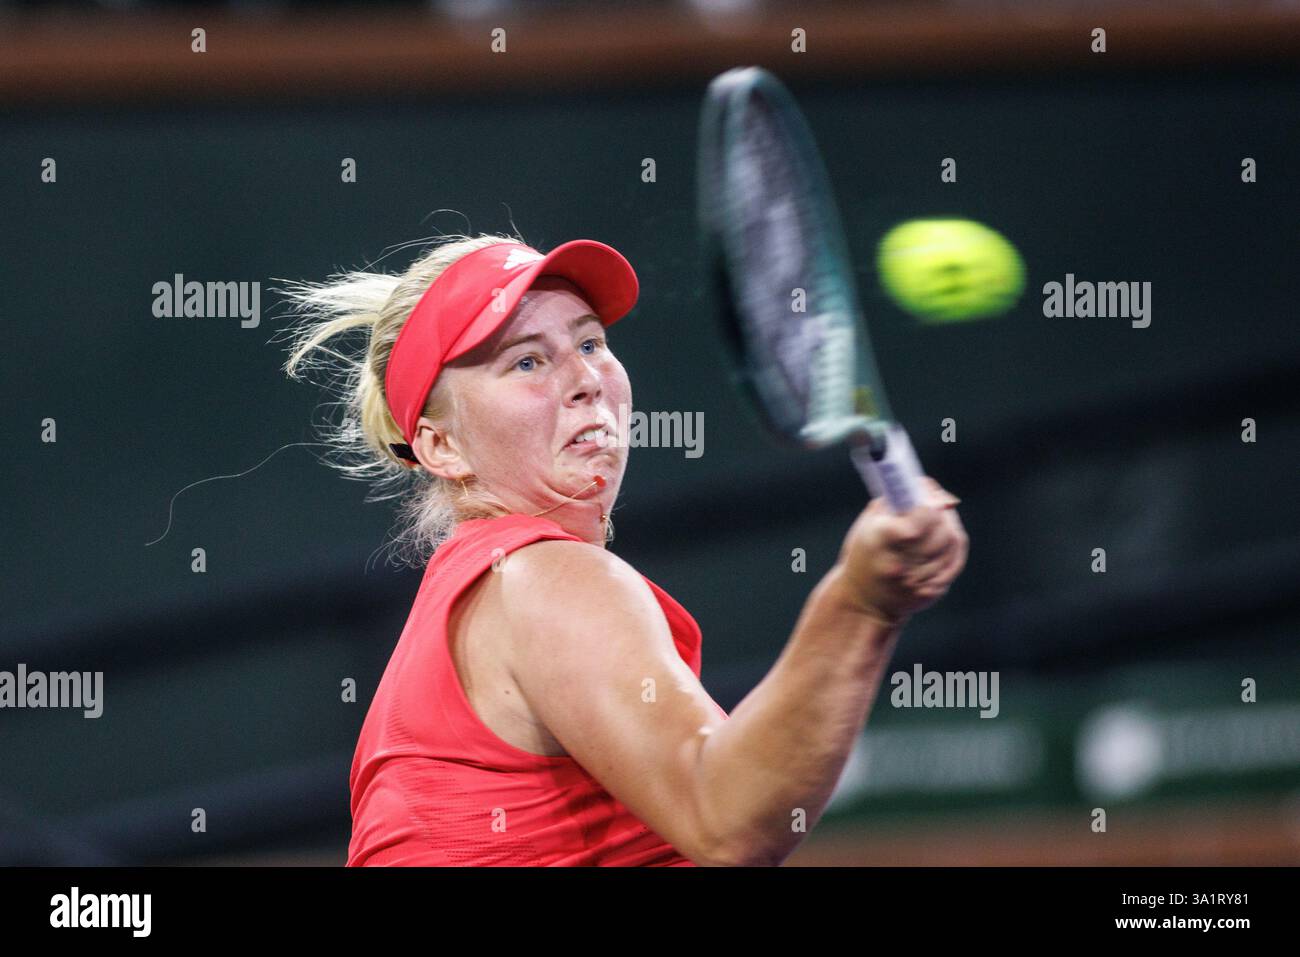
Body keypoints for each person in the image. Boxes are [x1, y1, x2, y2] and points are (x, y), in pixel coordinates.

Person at [279, 233, 968, 866]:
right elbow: (726, 817)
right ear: (442, 445)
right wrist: (861, 604)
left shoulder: (477, 601)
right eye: (527, 360)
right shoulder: (542, 579)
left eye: (590, 343)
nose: (585, 379)